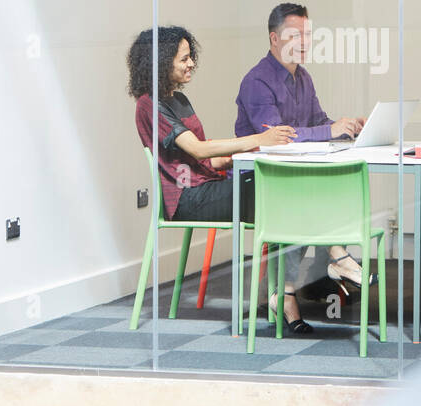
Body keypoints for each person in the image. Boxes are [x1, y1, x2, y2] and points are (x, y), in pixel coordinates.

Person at [128, 26, 314, 334]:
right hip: (188, 198)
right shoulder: (149, 104)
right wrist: (257, 138)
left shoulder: (179, 100)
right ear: (160, 62)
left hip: (206, 186)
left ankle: (285, 292)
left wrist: (249, 151)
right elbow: (199, 149)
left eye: (191, 57)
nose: (191, 64)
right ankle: (296, 286)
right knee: (287, 196)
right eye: (184, 59)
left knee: (292, 192)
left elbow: (202, 160)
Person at [235, 2, 370, 296]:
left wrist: (346, 128)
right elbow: (277, 138)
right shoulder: (257, 81)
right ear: (274, 39)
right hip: (259, 182)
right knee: (311, 194)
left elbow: (318, 122)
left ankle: (316, 279)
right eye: (295, 35)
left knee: (337, 186)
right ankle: (319, 270)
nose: (304, 42)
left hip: (290, 176)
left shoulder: (303, 77)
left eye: (307, 35)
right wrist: (329, 131)